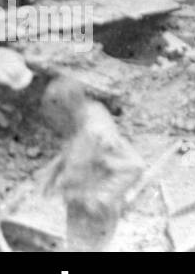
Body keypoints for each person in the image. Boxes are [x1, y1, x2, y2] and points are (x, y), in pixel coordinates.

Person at [40, 77, 145, 252]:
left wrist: (102, 196)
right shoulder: (81, 118)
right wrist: (54, 169)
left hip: (94, 212)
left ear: (66, 110)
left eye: (54, 116)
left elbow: (134, 166)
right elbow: (76, 148)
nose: (52, 122)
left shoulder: (98, 132)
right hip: (78, 202)